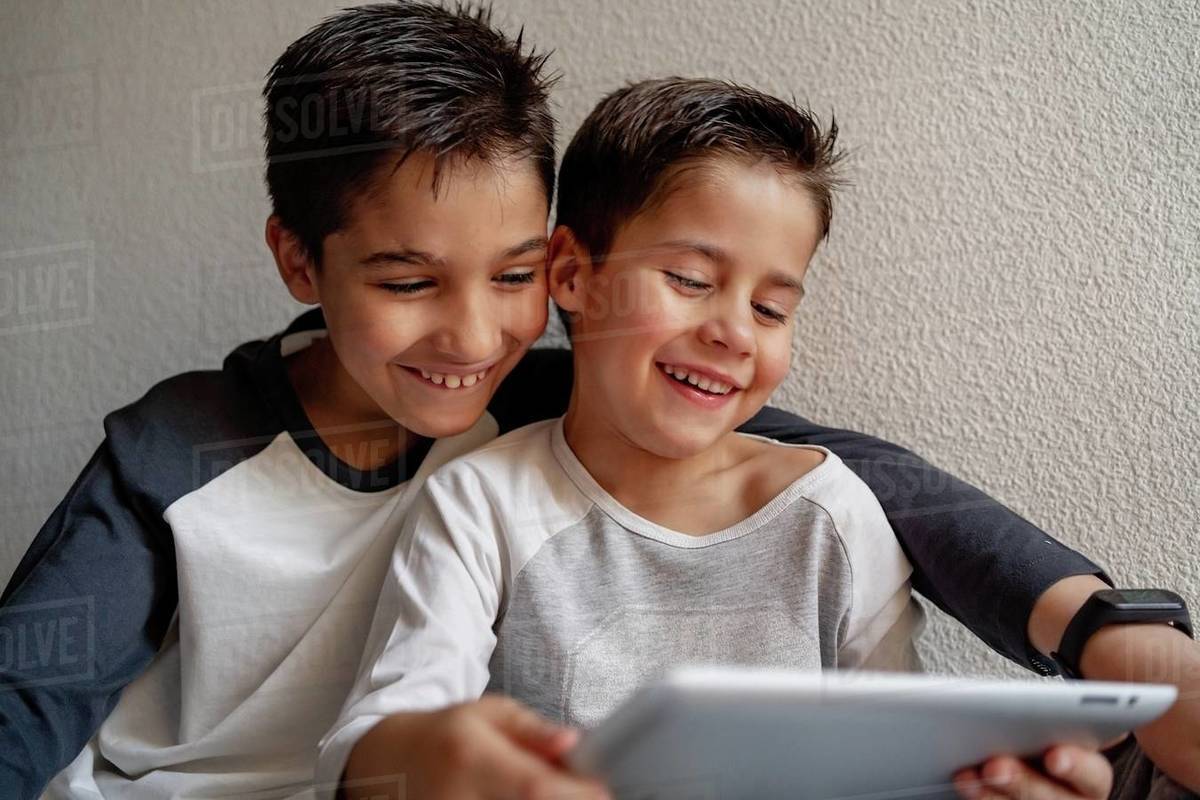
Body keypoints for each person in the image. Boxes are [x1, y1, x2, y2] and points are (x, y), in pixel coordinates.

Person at [0, 3, 1182, 798]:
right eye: (408, 280)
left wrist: (1108, 628)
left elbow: (857, 474)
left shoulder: (556, 394)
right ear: (301, 261)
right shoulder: (180, 447)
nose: (474, 337)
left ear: (563, 275)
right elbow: (26, 702)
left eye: (514, 276)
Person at [319, 77, 1186, 800]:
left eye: (772, 307)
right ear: (573, 275)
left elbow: (892, 752)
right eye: (691, 280)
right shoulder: (481, 502)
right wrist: (429, 758)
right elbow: (378, 739)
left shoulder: (833, 513)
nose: (736, 331)